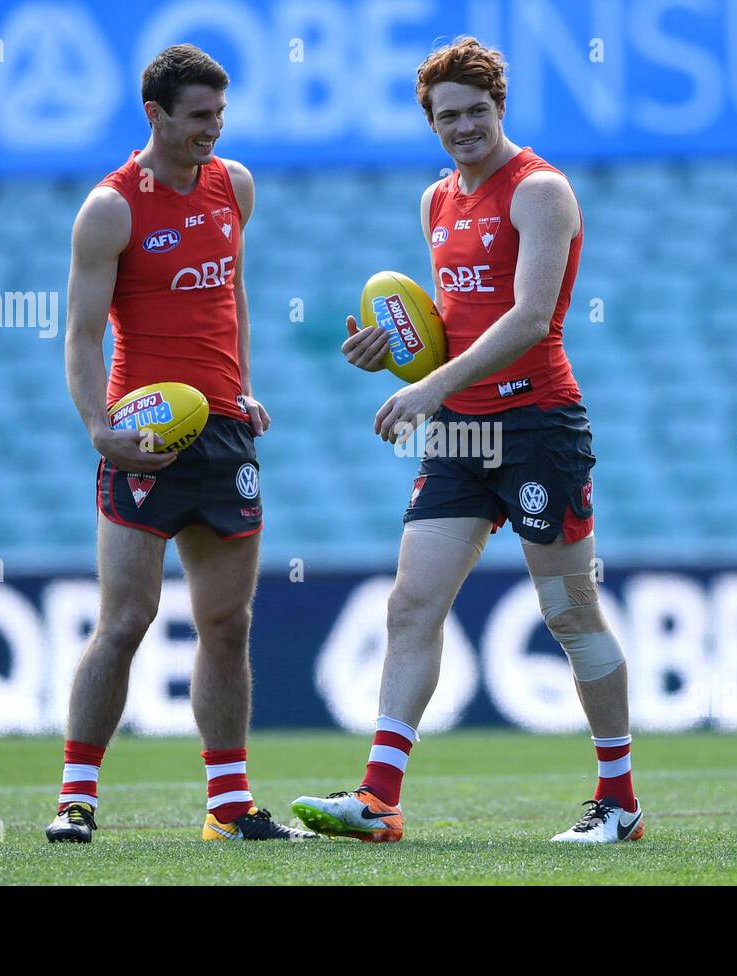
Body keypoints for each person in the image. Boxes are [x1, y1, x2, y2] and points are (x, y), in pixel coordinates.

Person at [291, 38, 642, 844]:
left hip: (536, 425)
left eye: (475, 112)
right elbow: (453, 327)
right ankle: (378, 801)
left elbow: (530, 320)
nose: (462, 128)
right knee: (411, 602)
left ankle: (619, 800)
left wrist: (430, 385)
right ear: (430, 121)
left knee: (567, 611)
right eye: (446, 117)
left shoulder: (541, 191)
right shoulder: (435, 201)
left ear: (500, 107)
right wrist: (394, 353)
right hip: (458, 432)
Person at [47, 44, 315, 842]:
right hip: (144, 432)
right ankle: (76, 797)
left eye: (220, 116)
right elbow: (83, 335)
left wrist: (245, 386)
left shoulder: (235, 187)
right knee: (125, 621)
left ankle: (229, 807)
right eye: (199, 117)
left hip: (225, 432)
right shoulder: (111, 209)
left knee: (227, 625)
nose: (214, 130)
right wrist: (102, 429)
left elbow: (232, 295)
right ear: (155, 115)